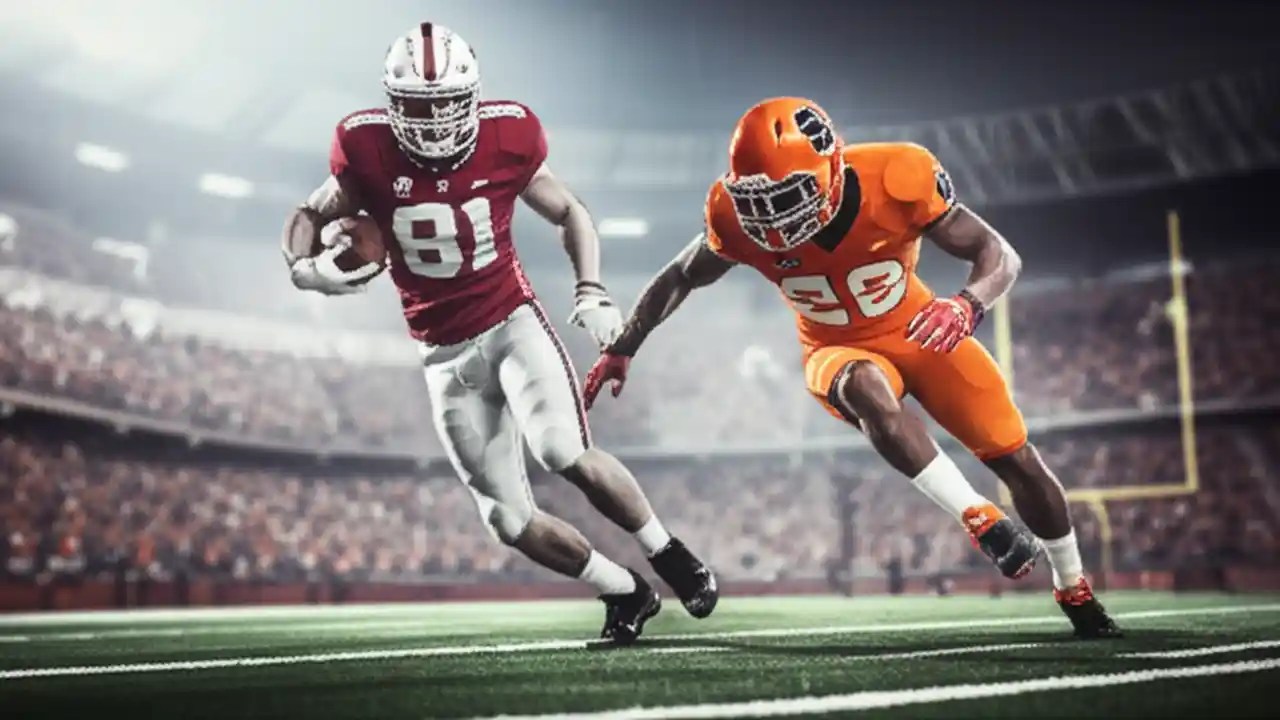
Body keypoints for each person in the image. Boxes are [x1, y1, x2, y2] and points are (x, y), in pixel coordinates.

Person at [584, 97, 1119, 639]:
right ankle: (979, 516)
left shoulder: (898, 175)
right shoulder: (731, 215)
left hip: (922, 331)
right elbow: (680, 274)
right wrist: (623, 344)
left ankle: (1073, 586)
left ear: (831, 171)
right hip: (833, 349)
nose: (770, 219)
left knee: (1019, 460)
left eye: (786, 197)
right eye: (757, 201)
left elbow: (995, 250)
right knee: (865, 387)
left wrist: (967, 302)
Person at [280, 23, 716, 643]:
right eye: (417, 108)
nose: (432, 124)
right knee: (508, 520)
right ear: (391, 104)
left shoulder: (508, 134)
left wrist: (589, 287)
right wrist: (302, 269)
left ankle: (669, 553)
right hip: (441, 354)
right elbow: (307, 213)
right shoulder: (363, 145)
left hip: (511, 322)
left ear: (473, 98)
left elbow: (570, 210)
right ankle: (626, 590)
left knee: (561, 449)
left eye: (446, 106)